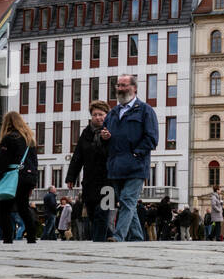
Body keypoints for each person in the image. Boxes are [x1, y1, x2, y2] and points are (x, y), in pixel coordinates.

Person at [101, 74, 158, 242]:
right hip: (116, 167)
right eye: (118, 85)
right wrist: (104, 137)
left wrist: (136, 153)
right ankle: (138, 238)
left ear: (134, 88)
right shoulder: (113, 113)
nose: (120, 88)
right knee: (128, 204)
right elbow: (104, 138)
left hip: (136, 167)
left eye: (124, 85)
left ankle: (118, 236)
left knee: (127, 200)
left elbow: (152, 138)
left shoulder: (145, 110)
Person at [0, 110, 38, 245]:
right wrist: (33, 181)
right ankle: (32, 238)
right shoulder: (30, 139)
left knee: (4, 209)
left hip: (13, 176)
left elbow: (2, 163)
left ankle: (8, 239)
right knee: (23, 207)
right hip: (27, 177)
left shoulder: (8, 138)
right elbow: (34, 162)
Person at [66, 100, 112, 243]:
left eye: (101, 114)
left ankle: (98, 243)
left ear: (107, 115)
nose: (98, 117)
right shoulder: (86, 133)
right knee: (92, 212)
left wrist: (107, 140)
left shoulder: (113, 130)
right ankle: (109, 235)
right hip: (90, 181)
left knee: (102, 212)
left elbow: (114, 154)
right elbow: (78, 156)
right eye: (95, 114)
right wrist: (71, 177)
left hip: (108, 181)